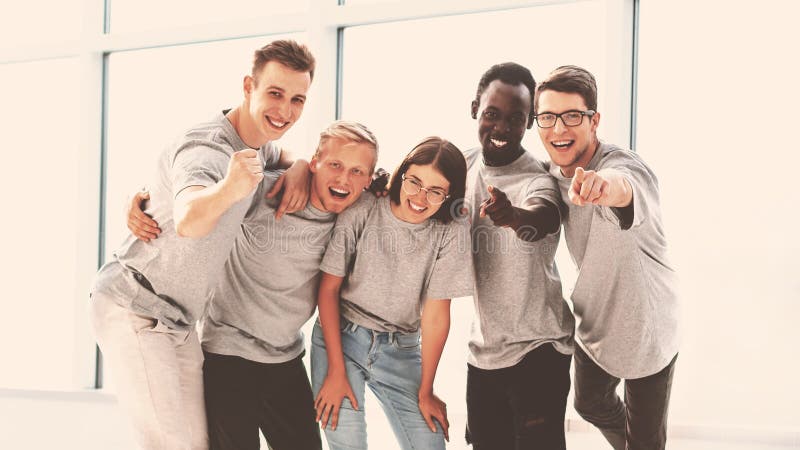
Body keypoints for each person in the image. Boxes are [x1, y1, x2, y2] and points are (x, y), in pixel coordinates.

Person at [89, 39, 316, 450]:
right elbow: (190, 217)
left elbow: (280, 153)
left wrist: (300, 166)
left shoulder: (257, 143)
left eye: (297, 99)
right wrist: (229, 189)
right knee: (170, 443)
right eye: (275, 94)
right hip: (134, 304)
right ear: (248, 87)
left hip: (179, 320)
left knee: (201, 443)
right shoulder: (206, 148)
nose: (285, 111)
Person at [200, 121, 378, 450]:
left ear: (368, 180)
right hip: (228, 351)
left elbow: (412, 195)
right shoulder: (268, 192)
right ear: (315, 162)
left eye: (357, 171)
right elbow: (195, 192)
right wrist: (139, 197)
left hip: (285, 356)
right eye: (335, 165)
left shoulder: (356, 213)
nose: (343, 179)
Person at [533, 65, 679, 450]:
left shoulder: (624, 166)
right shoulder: (548, 174)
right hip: (597, 321)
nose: (558, 129)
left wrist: (603, 188)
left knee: (646, 441)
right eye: (547, 117)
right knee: (589, 403)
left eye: (572, 116)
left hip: (647, 325)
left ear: (594, 120)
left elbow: (624, 185)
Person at [311, 137, 474, 450]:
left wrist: (425, 390)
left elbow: (436, 316)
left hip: (401, 349)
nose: (420, 197)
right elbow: (328, 289)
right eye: (414, 182)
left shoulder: (451, 230)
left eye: (435, 191)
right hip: (342, 339)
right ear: (403, 173)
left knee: (430, 444)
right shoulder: (365, 206)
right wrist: (335, 370)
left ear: (449, 195)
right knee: (348, 444)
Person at [463, 62, 575, 450]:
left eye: (515, 119)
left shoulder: (536, 178)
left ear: (528, 123)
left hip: (538, 349)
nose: (502, 127)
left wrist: (512, 216)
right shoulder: (462, 165)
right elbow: (414, 183)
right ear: (475, 109)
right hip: (484, 352)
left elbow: (542, 219)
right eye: (492, 114)